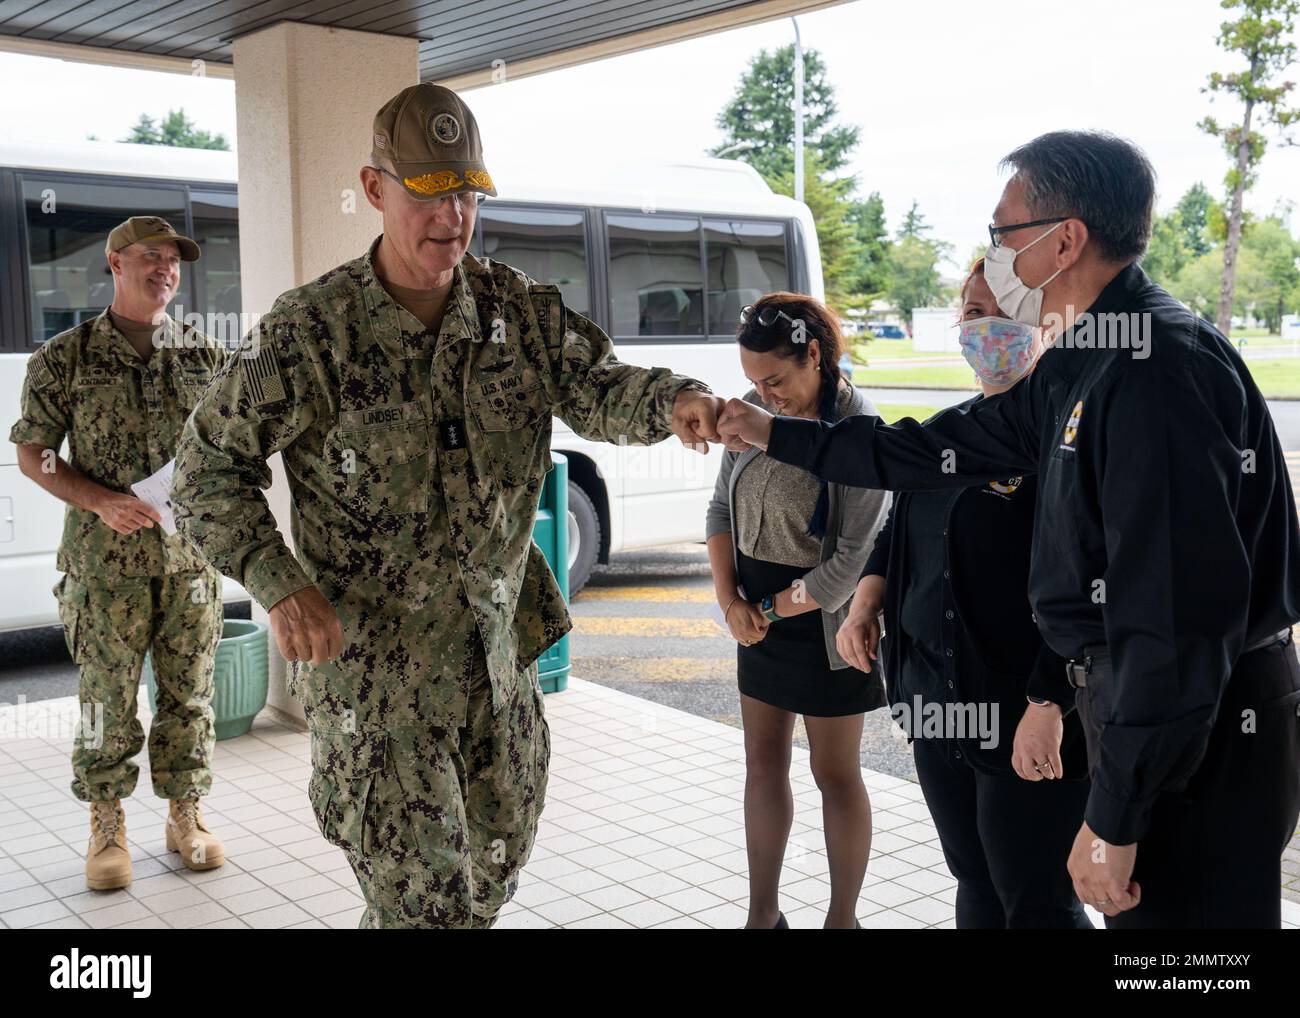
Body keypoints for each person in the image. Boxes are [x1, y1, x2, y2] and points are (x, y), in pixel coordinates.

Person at [170, 83, 725, 929]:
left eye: (467, 193)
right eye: (429, 193)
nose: (452, 217)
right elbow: (204, 471)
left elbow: (601, 386)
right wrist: (279, 583)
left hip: (497, 673)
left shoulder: (518, 314)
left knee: (483, 891)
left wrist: (678, 401)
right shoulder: (309, 335)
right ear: (374, 187)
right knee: (424, 910)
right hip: (381, 692)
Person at [717, 130, 1300, 929]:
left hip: (1202, 737)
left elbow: (1174, 623)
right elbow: (929, 450)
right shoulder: (1085, 357)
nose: (995, 258)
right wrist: (772, 432)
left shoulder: (1158, 371)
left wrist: (1118, 812)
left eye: (1004, 235)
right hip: (1152, 723)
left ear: (1065, 241)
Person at [837, 260, 1091, 928]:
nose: (981, 327)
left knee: (1036, 895)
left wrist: (1051, 698)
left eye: (998, 311)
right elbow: (899, 525)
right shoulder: (950, 430)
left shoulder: (1062, 438)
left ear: (1044, 319)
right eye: (971, 312)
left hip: (1028, 709)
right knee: (973, 878)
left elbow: (1093, 589)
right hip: (936, 703)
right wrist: (868, 597)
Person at [9, 216, 230, 891]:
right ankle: (107, 827)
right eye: (149, 257)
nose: (165, 269)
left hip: (189, 563)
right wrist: (99, 500)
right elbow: (33, 454)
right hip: (104, 567)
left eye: (173, 261)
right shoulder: (65, 357)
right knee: (106, 699)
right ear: (114, 264)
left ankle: (185, 817)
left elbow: (228, 448)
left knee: (189, 697)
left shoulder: (205, 355)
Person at [706, 293, 890, 929]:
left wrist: (762, 608)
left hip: (827, 621)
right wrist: (729, 601)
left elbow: (847, 565)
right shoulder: (752, 416)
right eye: (753, 382)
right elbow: (720, 513)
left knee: (833, 772)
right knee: (763, 764)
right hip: (754, 614)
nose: (764, 396)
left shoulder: (857, 427)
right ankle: (763, 917)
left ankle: (843, 919)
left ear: (814, 355)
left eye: (776, 380)